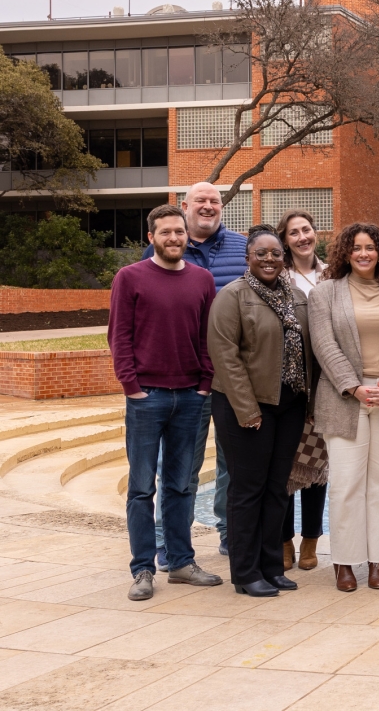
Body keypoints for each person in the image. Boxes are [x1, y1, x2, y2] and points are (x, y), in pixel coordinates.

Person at [113, 203, 225, 601]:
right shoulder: (130, 277)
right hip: (147, 398)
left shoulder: (202, 279)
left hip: (191, 397)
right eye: (166, 233)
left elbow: (206, 337)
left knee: (181, 485)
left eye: (179, 231)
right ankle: (143, 569)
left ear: (186, 234)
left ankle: (180, 562)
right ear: (152, 238)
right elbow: (119, 336)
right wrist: (132, 388)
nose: (174, 238)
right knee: (142, 488)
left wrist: (204, 383)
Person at [309, 222, 379, 592]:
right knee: (345, 484)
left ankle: (376, 560)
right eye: (356, 247)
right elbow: (324, 345)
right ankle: (344, 562)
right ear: (346, 252)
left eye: (371, 247)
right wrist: (354, 387)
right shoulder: (325, 293)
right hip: (344, 400)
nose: (363, 253)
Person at [142, 182, 247, 565]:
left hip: (236, 377)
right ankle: (168, 540)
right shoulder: (161, 249)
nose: (208, 206)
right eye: (200, 200)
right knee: (180, 466)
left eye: (214, 201)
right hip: (188, 379)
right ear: (185, 206)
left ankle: (227, 532)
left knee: (231, 463)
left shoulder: (242, 248)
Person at [208, 226, 316, 597]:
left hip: (288, 406)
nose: (269, 259)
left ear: (284, 258)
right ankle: (245, 571)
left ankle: (271, 566)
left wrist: (309, 402)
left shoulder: (296, 296)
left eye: (275, 254)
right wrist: (247, 409)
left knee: (277, 489)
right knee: (247, 489)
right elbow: (225, 357)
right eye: (261, 253)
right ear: (248, 257)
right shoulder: (232, 296)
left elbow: (308, 353)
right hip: (246, 407)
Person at [277, 209, 327, 572]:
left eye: (306, 230)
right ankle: (283, 541)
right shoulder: (277, 277)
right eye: (293, 233)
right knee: (282, 465)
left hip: (324, 382)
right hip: (287, 384)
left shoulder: (332, 274)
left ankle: (311, 540)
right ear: (285, 239)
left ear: (315, 233)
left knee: (316, 466)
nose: (302, 237)